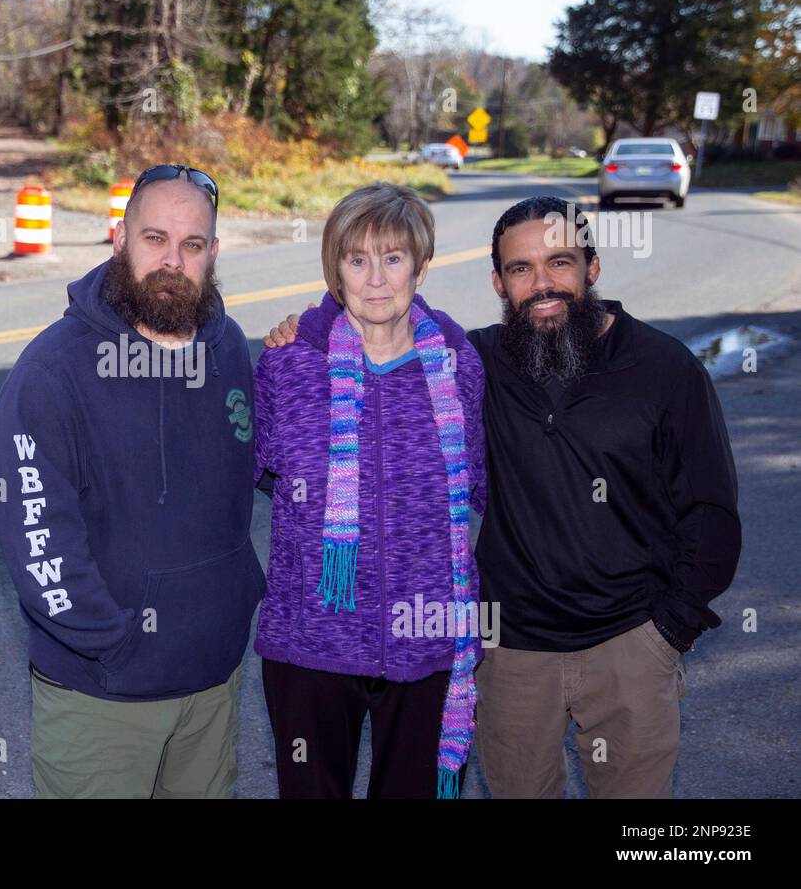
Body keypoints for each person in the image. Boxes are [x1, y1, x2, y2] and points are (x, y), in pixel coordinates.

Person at [265, 195, 741, 798]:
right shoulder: (476, 360)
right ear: (498, 281)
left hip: (628, 645)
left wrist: (671, 629)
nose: (543, 283)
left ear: (592, 268)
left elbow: (713, 512)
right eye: (521, 269)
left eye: (560, 262)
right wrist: (307, 325)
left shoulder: (661, 367)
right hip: (511, 652)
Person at [0, 164, 265, 798]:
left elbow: (266, 464)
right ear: (119, 239)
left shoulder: (227, 351)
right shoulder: (53, 371)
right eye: (154, 239)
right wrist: (112, 647)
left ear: (214, 253)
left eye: (193, 245)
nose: (173, 260)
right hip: (103, 698)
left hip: (213, 682)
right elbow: (37, 533)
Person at [253, 183, 486, 799]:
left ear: (421, 265)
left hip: (428, 641)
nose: (376, 279)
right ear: (335, 272)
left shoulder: (460, 366)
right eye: (357, 260)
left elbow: (484, 489)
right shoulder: (286, 363)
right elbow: (256, 475)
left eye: (393, 258)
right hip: (310, 644)